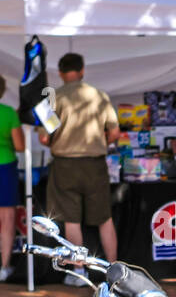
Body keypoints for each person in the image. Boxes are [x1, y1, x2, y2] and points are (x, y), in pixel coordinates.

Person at [37, 53, 120, 282]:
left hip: (65, 165)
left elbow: (44, 138)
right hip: (95, 164)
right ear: (82, 70)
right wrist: (99, 143)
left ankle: (78, 272)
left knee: (71, 219)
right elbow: (114, 133)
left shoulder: (53, 99)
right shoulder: (100, 96)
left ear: (61, 72)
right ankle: (115, 272)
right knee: (105, 219)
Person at [0, 74, 24, 283]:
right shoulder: (8, 114)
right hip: (5, 167)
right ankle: (4, 266)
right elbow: (20, 146)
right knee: (6, 220)